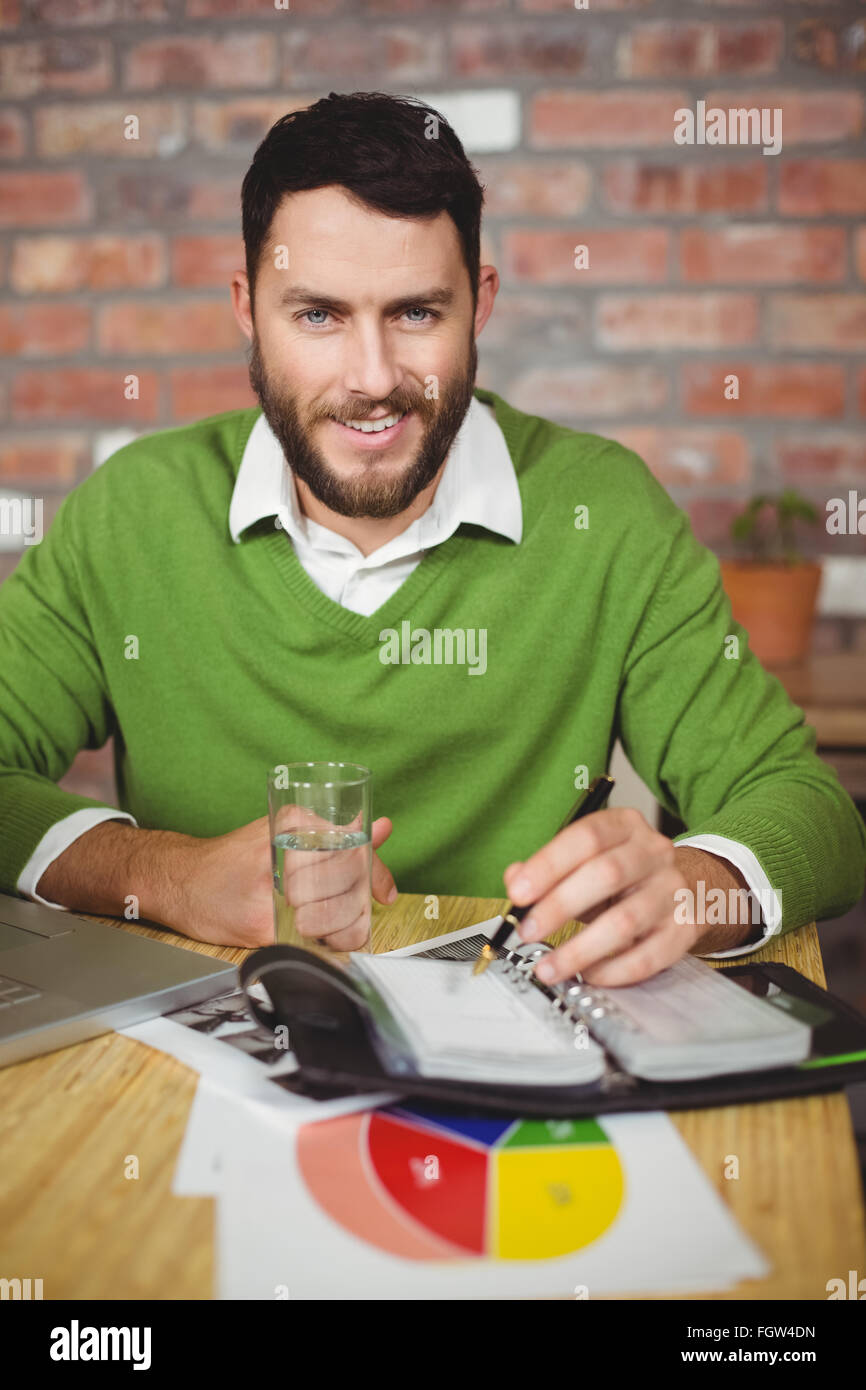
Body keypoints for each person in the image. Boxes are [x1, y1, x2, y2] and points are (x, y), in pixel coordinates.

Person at [0, 92, 863, 990]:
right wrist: (163, 877)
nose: (372, 380)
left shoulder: (602, 511)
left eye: (416, 313)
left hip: (522, 1061)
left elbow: (811, 811)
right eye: (318, 316)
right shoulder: (132, 513)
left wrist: (690, 887)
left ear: (478, 304)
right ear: (247, 309)